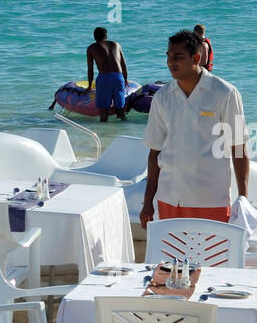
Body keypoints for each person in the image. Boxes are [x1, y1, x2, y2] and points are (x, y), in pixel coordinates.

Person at [140, 28, 248, 226]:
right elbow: (154, 152)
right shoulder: (162, 97)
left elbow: (238, 148)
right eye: (169, 56)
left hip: (211, 200)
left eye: (178, 57)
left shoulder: (226, 93)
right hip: (170, 198)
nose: (171, 62)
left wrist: (243, 199)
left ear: (196, 58)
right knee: (172, 257)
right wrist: (148, 202)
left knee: (213, 256)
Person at [86, 27, 128, 123]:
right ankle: (125, 129)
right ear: (106, 36)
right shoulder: (116, 45)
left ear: (94, 36)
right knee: (120, 109)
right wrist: (125, 79)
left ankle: (103, 133)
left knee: (104, 111)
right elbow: (123, 65)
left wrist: (89, 86)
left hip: (104, 78)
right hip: (118, 77)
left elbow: (90, 69)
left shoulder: (91, 48)